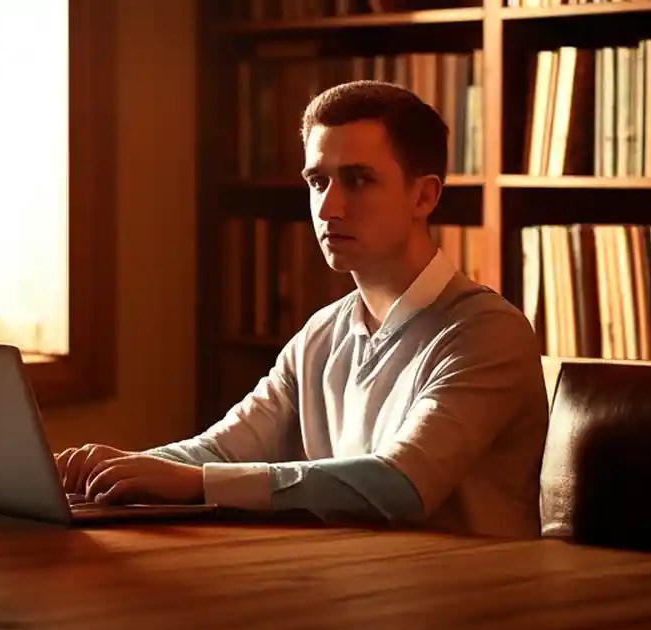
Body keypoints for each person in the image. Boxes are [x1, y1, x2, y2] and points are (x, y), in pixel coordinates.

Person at [58, 80, 548, 538]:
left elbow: (401, 483)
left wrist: (196, 482)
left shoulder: (486, 332)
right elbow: (220, 450)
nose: (329, 208)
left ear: (424, 195)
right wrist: (108, 472)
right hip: (358, 594)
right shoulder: (322, 333)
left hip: (472, 610)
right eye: (318, 182)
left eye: (357, 180)